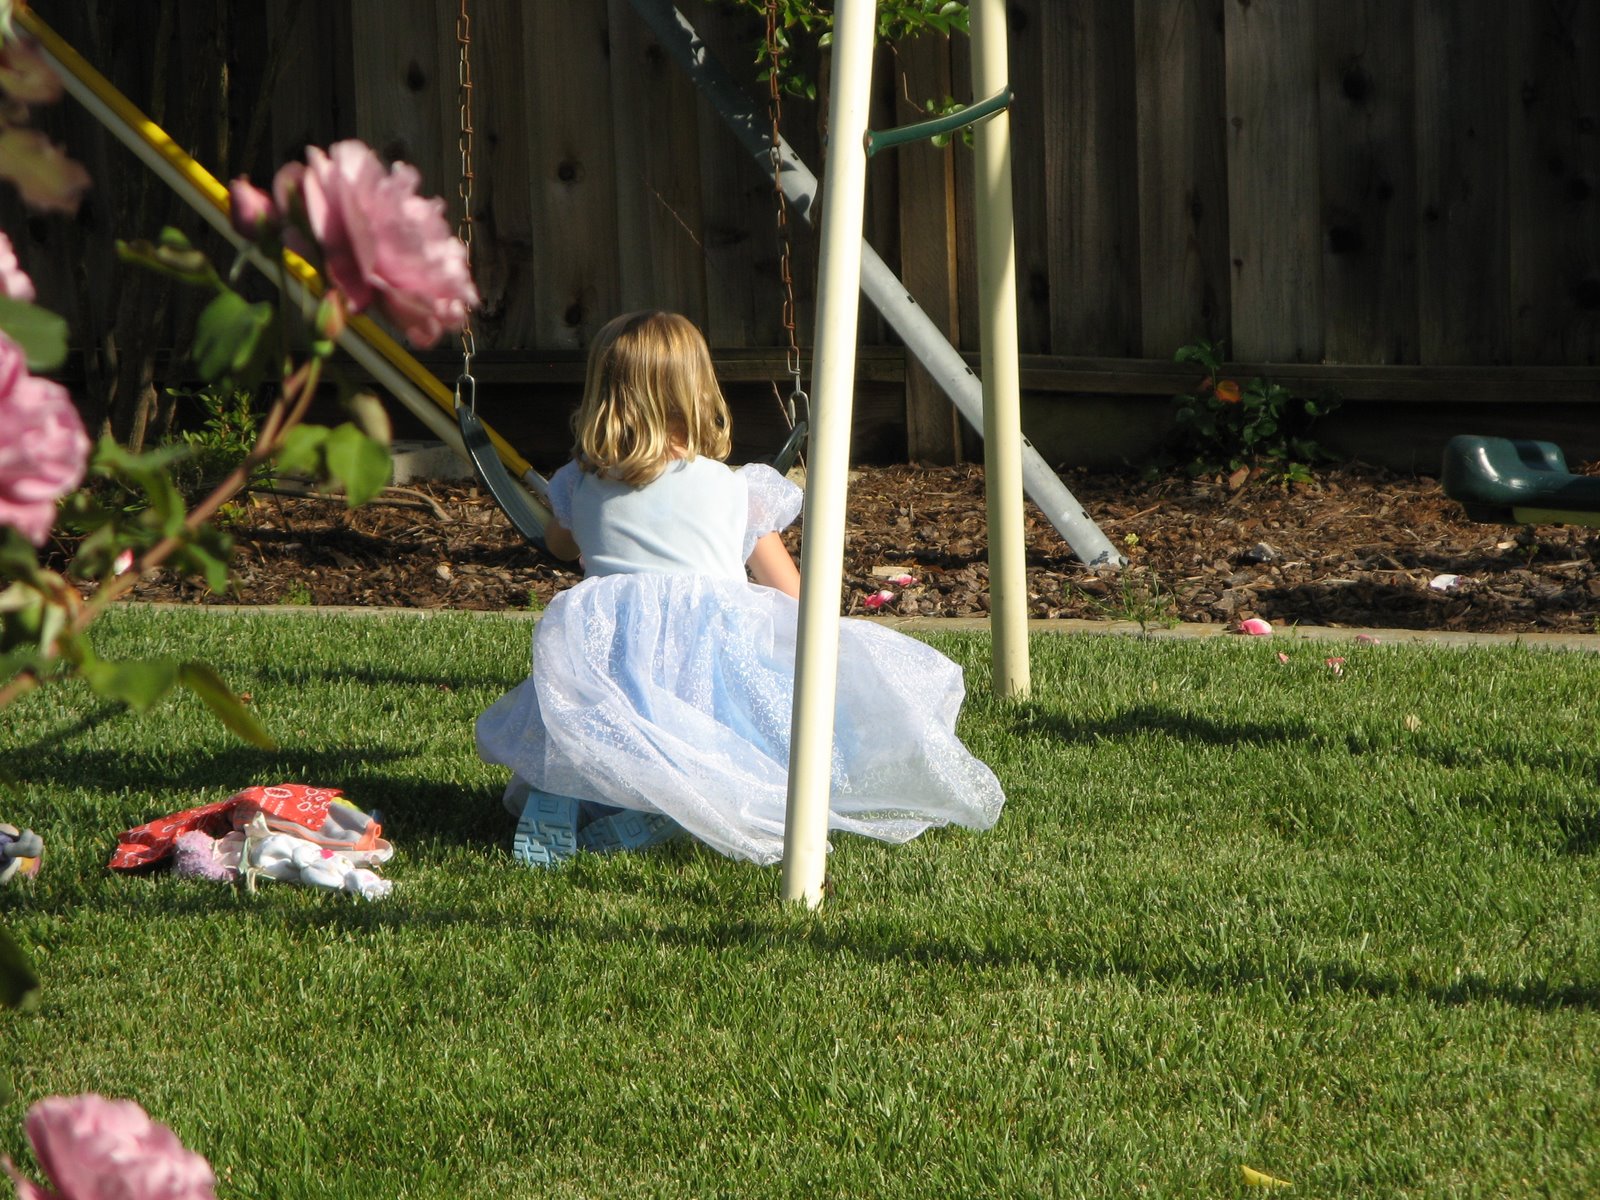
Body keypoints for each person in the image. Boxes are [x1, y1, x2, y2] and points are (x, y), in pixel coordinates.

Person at [475, 310, 1004, 867]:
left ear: (603, 395)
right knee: (726, 724)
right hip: (707, 649)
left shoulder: (579, 481)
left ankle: (560, 790)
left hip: (608, 640)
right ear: (699, 390)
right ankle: (687, 801)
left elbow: (560, 544)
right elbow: (791, 591)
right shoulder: (736, 490)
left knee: (584, 710)